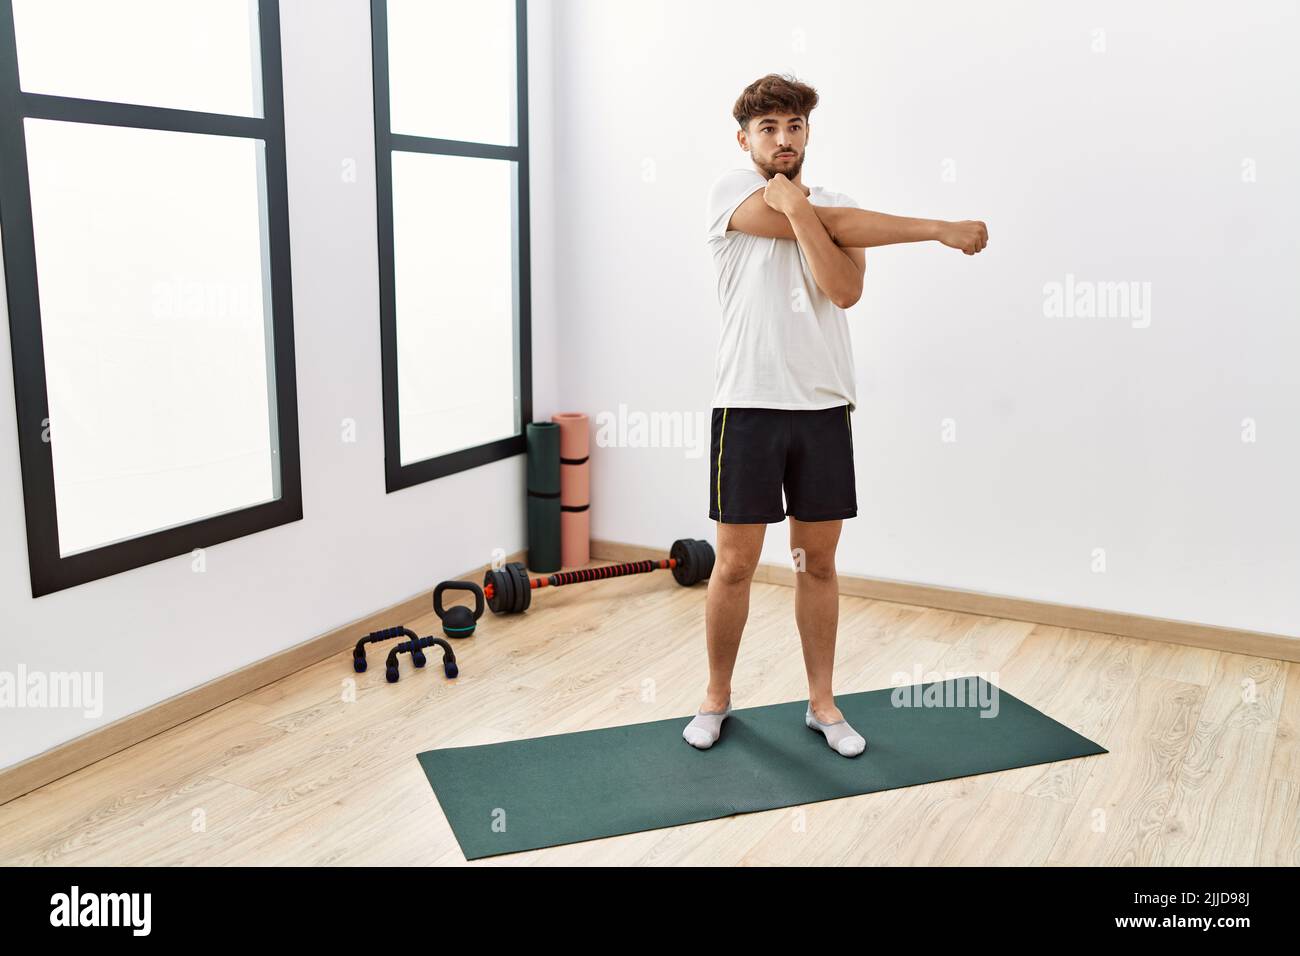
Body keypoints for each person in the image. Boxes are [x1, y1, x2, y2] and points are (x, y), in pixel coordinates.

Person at [683, 73, 988, 757]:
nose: (783, 140)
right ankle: (716, 697)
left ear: (807, 132)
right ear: (745, 139)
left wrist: (801, 212)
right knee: (733, 565)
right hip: (748, 403)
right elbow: (836, 229)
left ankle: (822, 704)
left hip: (822, 406)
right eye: (768, 129)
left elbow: (844, 288)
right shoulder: (729, 193)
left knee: (816, 564)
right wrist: (933, 228)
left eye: (793, 127)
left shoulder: (839, 207)